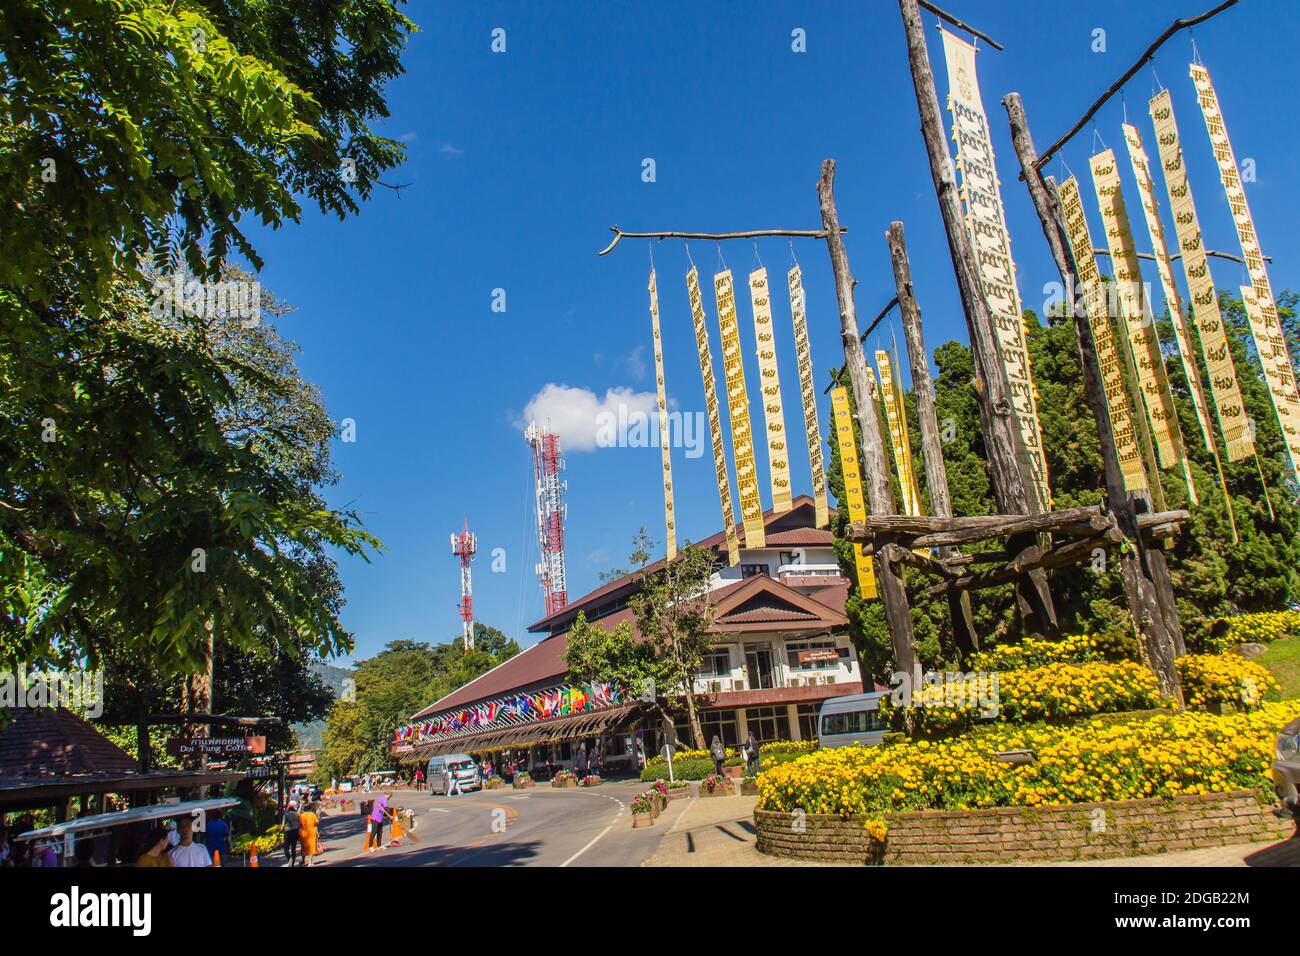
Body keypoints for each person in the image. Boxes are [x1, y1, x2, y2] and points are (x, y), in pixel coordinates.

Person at [282, 801, 301, 866]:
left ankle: (289, 858)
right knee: (293, 848)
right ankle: (292, 863)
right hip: (295, 832)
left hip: (288, 832)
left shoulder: (286, 815)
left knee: (286, 848)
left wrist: (281, 830)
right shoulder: (297, 814)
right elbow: (300, 823)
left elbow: (282, 825)